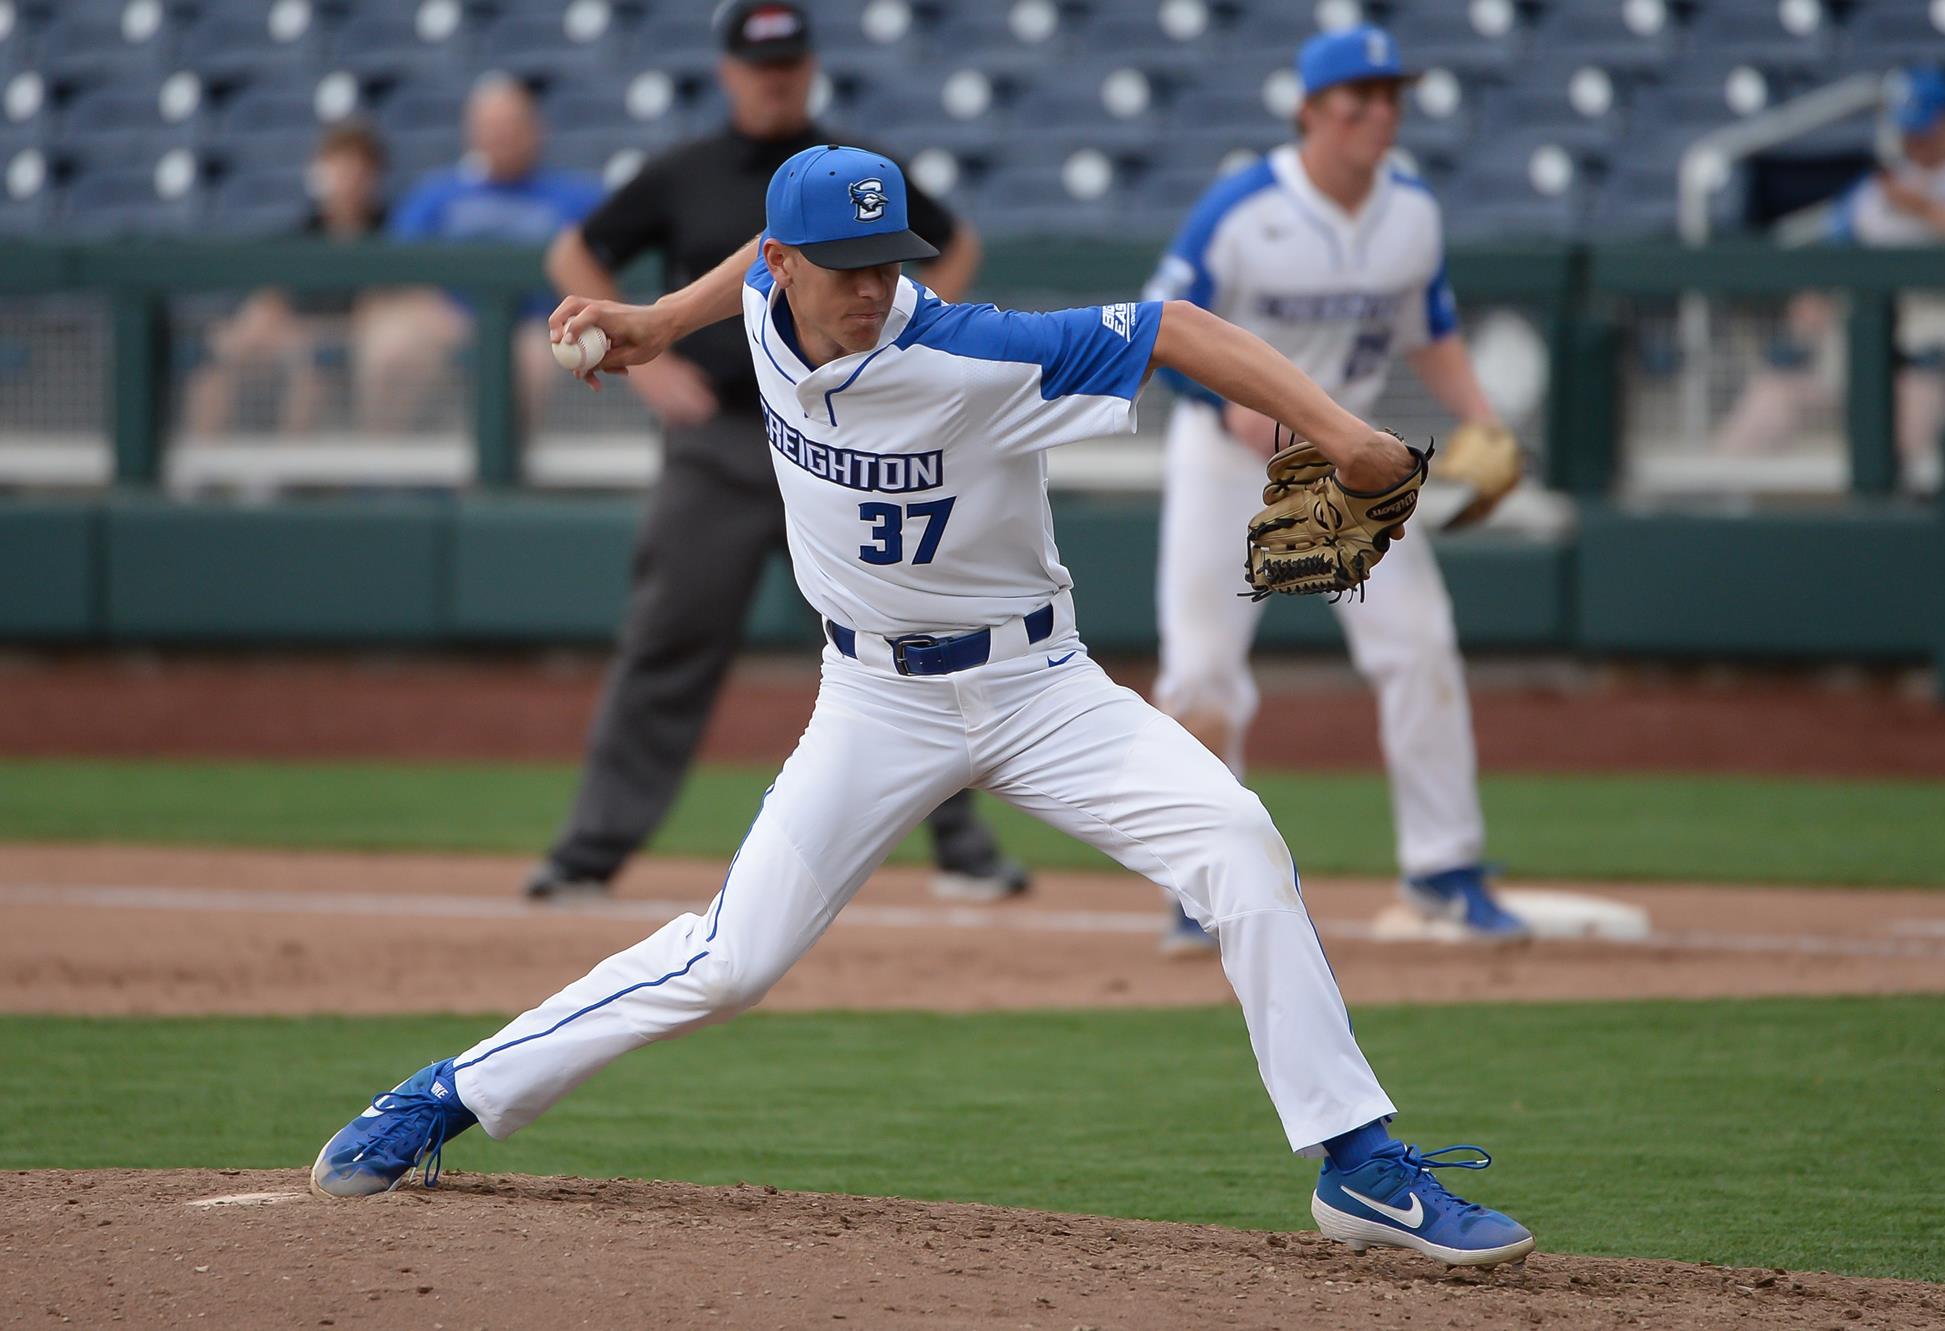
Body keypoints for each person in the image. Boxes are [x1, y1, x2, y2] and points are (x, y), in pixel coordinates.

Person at [307, 144, 1537, 1270]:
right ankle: (446, 1094)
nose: (870, 285)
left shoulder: (972, 350)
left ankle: (1356, 1159)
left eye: (886, 259)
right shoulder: (765, 300)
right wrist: (660, 320)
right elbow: (746, 272)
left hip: (1040, 687)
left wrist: (1344, 436)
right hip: (872, 701)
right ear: (787, 262)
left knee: (1236, 839)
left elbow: (1173, 327)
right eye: (840, 263)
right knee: (730, 960)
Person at [527, 0, 1019, 905]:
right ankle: (587, 854)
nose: (776, 79)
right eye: (760, 65)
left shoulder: (856, 173)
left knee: (906, 635)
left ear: (811, 66)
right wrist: (657, 368)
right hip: (718, 442)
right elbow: (574, 254)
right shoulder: (684, 171)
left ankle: (964, 850)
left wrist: (912, 349)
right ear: (727, 72)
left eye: (789, 62)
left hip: (844, 444)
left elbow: (957, 244)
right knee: (668, 640)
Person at [1144, 26, 1525, 953]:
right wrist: (1230, 405)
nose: (1379, 114)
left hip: (1351, 455)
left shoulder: (1412, 212)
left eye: (1391, 97)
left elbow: (1430, 327)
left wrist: (1482, 417)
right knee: (1202, 668)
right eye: (1359, 99)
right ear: (1310, 111)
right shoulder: (1244, 208)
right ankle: (1202, 883)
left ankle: (1444, 867)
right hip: (1229, 455)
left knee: (1420, 642)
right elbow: (1158, 328)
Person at [1713, 66, 1945, 478]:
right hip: (1857, 347)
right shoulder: (1883, 184)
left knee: (1910, 424)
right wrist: (1814, 298)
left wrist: (1923, 209)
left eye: (1925, 127)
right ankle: (1720, 504)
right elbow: (1833, 246)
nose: (1914, 140)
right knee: (1771, 396)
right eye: (1907, 129)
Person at [354, 75, 602, 433]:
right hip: (446, 318)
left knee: (534, 358)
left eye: (511, 125)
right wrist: (441, 312)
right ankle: (382, 457)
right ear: (471, 132)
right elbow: (399, 271)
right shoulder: (438, 195)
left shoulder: (575, 197)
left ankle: (510, 467)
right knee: (393, 345)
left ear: (537, 129)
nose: (502, 136)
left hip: (538, 323)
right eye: (491, 126)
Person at [181, 122, 386, 439]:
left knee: (314, 365)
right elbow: (270, 301)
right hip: (291, 341)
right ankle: (200, 455)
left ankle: (291, 465)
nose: (348, 183)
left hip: (344, 352)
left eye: (357, 173)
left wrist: (314, 336)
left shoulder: (389, 235)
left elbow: (376, 314)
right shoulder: (302, 234)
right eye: (340, 170)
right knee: (222, 353)